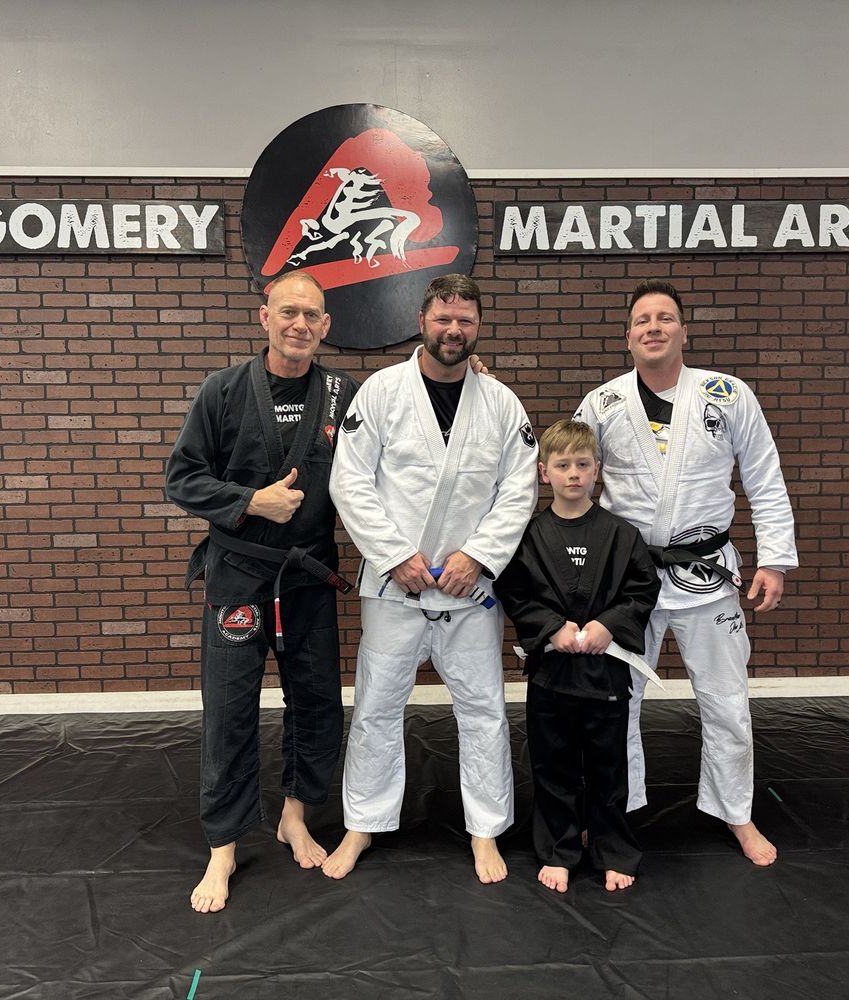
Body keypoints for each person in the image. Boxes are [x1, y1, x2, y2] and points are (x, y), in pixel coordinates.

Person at [322, 273, 539, 883]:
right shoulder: (382, 393)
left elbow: (518, 489)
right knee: (376, 707)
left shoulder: (501, 403)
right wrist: (394, 555)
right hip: (396, 588)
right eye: (444, 319)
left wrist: (479, 556)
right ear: (422, 321)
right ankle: (362, 823)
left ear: (478, 326)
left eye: (465, 320)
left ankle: (485, 830)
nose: (454, 330)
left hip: (470, 592)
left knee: (484, 711)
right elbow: (350, 480)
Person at [574, 279, 798, 866]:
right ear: (627, 337)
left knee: (726, 700)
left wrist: (774, 559)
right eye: (642, 320)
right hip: (628, 578)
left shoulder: (728, 394)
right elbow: (570, 478)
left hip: (708, 571)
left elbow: (765, 478)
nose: (654, 327)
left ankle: (736, 812)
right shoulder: (601, 403)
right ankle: (612, 809)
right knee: (616, 701)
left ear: (684, 331)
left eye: (665, 318)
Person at [166, 271, 358, 912]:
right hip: (239, 574)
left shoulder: (344, 395)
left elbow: (398, 443)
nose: (299, 324)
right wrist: (251, 500)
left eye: (311, 315)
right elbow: (182, 478)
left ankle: (295, 816)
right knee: (229, 707)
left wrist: (473, 382)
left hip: (309, 576)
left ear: (326, 326)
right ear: (265, 317)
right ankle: (223, 845)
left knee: (317, 701)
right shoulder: (221, 391)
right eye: (288, 312)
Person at [495, 420, 661, 893]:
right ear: (543, 472)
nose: (573, 474)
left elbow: (643, 588)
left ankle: (614, 849)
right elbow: (515, 591)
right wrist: (552, 627)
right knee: (553, 765)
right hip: (552, 675)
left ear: (597, 470)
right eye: (563, 465)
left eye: (582, 464)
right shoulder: (528, 536)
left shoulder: (621, 534)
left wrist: (609, 625)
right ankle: (558, 850)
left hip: (606, 675)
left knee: (609, 766)